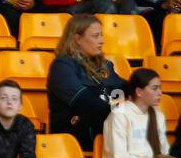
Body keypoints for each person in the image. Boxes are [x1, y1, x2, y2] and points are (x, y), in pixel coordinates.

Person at [48, 14, 125, 151]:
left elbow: (122, 89)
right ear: (77, 39)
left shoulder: (105, 65)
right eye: (96, 36)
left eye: (101, 35)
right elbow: (86, 101)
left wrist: (121, 102)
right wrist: (118, 114)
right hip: (76, 143)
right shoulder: (62, 66)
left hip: (107, 133)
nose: (101, 41)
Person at [100, 68, 168, 158]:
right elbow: (120, 157)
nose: (160, 93)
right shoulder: (119, 115)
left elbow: (164, 150)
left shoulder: (158, 116)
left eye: (160, 88)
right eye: (154, 88)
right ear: (139, 92)